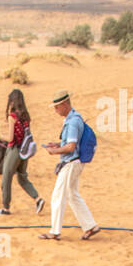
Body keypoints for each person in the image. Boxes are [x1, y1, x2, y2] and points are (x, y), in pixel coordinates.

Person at [40, 91, 100, 242]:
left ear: (65, 104)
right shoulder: (73, 118)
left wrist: (55, 151)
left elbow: (71, 147)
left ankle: (55, 231)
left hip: (71, 162)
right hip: (75, 162)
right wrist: (59, 144)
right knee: (73, 195)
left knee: (58, 196)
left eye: (57, 107)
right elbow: (71, 143)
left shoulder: (72, 121)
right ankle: (90, 226)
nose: (55, 110)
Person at [0, 89, 44, 217]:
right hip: (25, 150)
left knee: (6, 178)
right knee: (22, 178)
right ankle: (37, 198)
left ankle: (5, 208)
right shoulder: (25, 116)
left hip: (14, 150)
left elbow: (11, 138)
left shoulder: (13, 117)